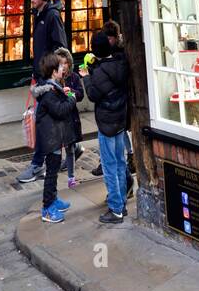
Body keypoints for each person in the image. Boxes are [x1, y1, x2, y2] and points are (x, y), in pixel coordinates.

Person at [17, 0, 69, 184]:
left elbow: (60, 47)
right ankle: (70, 149)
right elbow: (39, 48)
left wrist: (54, 74)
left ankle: (38, 164)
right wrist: (35, 71)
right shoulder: (38, 15)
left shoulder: (52, 16)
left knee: (42, 121)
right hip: (40, 76)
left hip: (49, 78)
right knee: (49, 121)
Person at [83, 29, 129, 224]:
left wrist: (86, 76)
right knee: (120, 161)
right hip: (120, 118)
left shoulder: (100, 71)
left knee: (109, 165)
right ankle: (123, 203)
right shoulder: (119, 63)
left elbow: (94, 94)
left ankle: (116, 208)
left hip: (107, 122)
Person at [32, 50, 74, 223]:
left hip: (54, 138)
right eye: (60, 67)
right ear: (53, 72)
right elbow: (59, 110)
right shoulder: (49, 92)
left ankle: (53, 199)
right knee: (51, 173)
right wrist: (70, 98)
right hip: (51, 140)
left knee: (54, 171)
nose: (63, 69)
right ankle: (47, 208)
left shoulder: (52, 88)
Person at [55, 47, 84, 188]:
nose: (63, 66)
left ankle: (71, 178)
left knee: (69, 149)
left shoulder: (74, 78)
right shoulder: (54, 79)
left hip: (70, 118)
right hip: (58, 117)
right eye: (60, 63)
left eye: (65, 63)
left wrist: (71, 93)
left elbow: (80, 95)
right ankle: (78, 147)